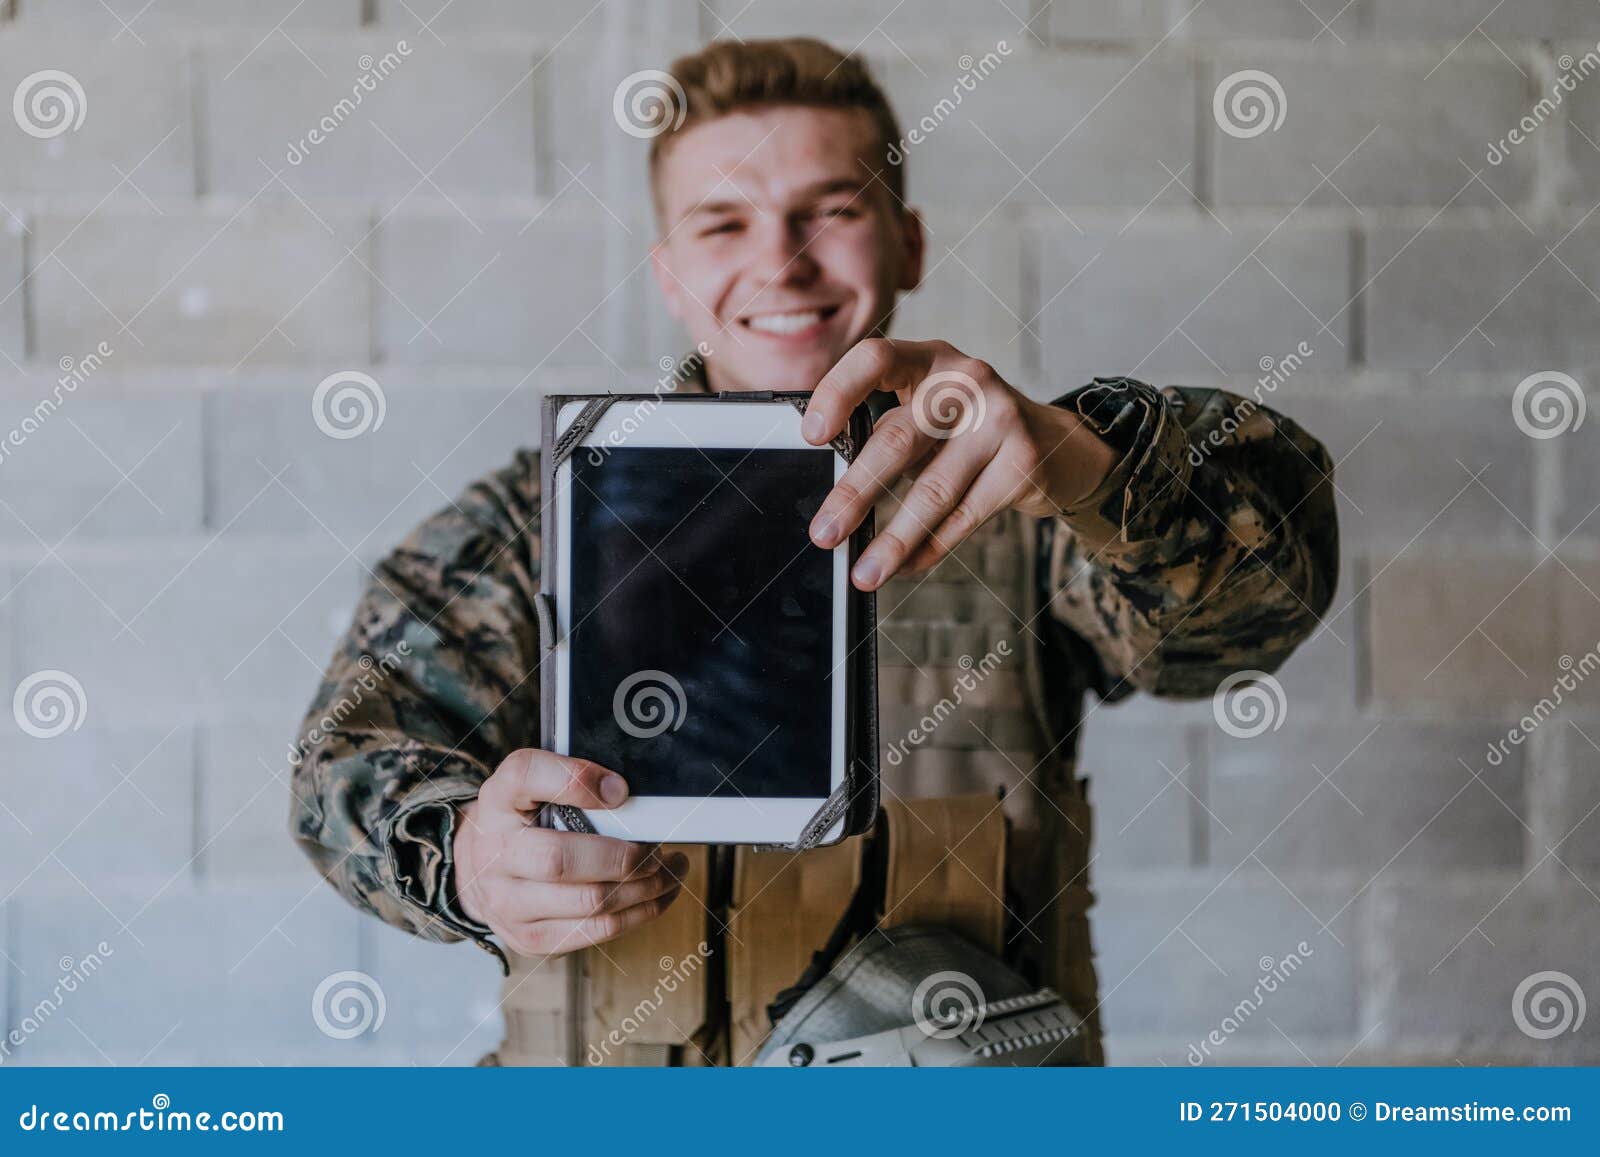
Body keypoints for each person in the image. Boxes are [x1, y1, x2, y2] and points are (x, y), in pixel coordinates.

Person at [288, 36, 1338, 1066]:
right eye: (722, 223)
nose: (780, 260)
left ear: (909, 242)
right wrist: (462, 853)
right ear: (668, 274)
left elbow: (1248, 616)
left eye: (831, 210)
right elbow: (351, 755)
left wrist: (1085, 461)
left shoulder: (1026, 498)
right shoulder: (540, 520)